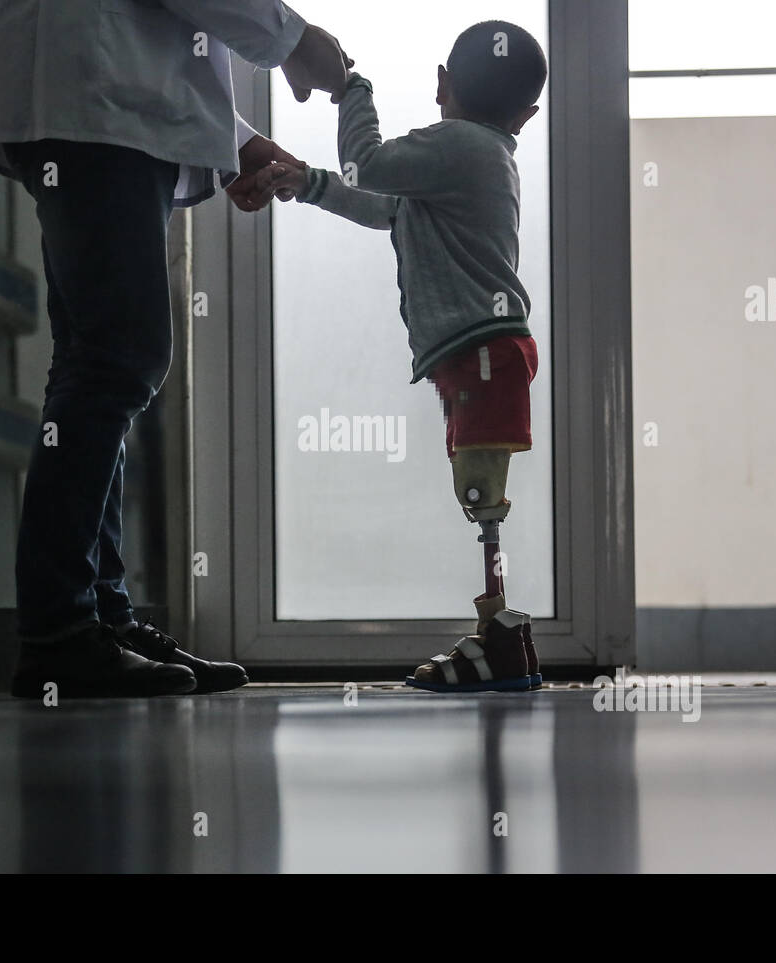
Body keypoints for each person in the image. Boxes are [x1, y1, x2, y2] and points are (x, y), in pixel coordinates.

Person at [0, 0, 351, 698]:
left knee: (96, 358)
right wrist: (292, 40)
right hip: (90, 96)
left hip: (93, 95)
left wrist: (232, 139)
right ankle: (60, 629)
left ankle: (97, 618)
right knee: (118, 354)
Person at [258, 20, 548, 691]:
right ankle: (501, 636)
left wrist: (350, 89)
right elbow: (388, 205)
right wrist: (307, 183)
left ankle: (499, 640)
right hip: (480, 351)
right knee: (482, 494)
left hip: (479, 351)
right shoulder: (480, 156)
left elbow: (370, 164)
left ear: (442, 84)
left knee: (481, 493)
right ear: (528, 116)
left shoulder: (458, 145)